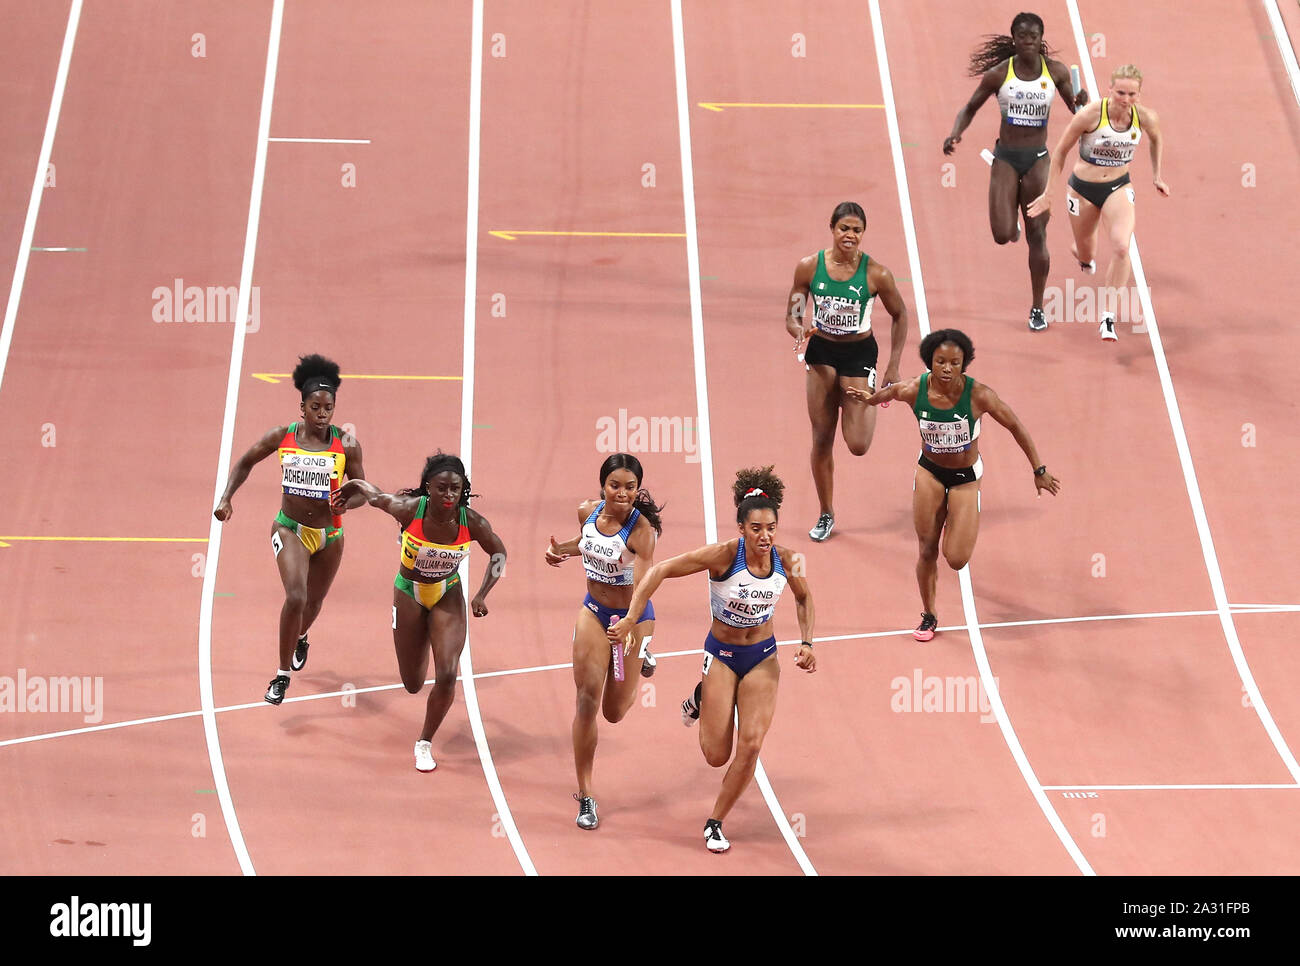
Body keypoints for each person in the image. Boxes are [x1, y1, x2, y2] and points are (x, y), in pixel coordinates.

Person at [608, 467, 816, 853]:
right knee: (716, 756)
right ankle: (702, 697)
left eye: (771, 528)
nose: (765, 536)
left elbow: (804, 598)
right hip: (721, 655)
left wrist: (807, 642)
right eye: (756, 528)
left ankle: (715, 822)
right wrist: (632, 619)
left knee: (751, 744)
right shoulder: (722, 556)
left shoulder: (791, 560)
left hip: (762, 657)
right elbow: (660, 571)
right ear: (741, 527)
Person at [846, 330, 1060, 641]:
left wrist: (1038, 469)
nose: (947, 368)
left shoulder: (979, 396)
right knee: (926, 549)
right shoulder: (913, 389)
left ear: (964, 365)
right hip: (930, 472)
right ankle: (929, 615)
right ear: (930, 362)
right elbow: (889, 394)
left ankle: (956, 519)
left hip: (965, 479)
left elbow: (1015, 425)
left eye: (954, 363)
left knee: (957, 559)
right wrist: (871, 398)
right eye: (940, 362)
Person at [331, 452, 506, 772]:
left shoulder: (473, 522)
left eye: (455, 488)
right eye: (442, 488)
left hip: (446, 593)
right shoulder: (408, 509)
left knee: (448, 673)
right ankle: (422, 634)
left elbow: (499, 552)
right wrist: (354, 482)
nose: (449, 495)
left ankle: (424, 742)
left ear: (463, 488)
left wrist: (482, 593)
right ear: (428, 488)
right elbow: (375, 496)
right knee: (412, 683)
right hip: (409, 593)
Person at [214, 354, 365, 705]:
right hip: (290, 529)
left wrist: (347, 503)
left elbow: (361, 491)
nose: (322, 414)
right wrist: (227, 498)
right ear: (302, 407)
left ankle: (301, 637)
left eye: (328, 408)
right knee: (295, 596)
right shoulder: (282, 436)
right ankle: (281, 676)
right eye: (315, 407)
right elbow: (245, 462)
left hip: (331, 536)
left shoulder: (348, 444)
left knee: (313, 602)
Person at [943, 12, 1087, 332]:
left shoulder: (1056, 72)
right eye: (1022, 36)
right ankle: (1012, 225)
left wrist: (1082, 102)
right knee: (1001, 234)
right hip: (1006, 158)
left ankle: (1037, 308)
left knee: (1038, 234)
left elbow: (1078, 114)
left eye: (1033, 36)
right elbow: (970, 107)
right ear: (1014, 39)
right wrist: (956, 133)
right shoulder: (999, 75)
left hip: (1038, 160)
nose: (1028, 41)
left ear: (1040, 39)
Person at [545, 454, 663, 830]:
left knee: (614, 712)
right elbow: (586, 541)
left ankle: (643, 654)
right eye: (615, 485)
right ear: (603, 486)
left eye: (630, 487)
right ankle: (587, 796)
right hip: (594, 612)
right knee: (586, 698)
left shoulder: (642, 531)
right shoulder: (587, 512)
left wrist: (629, 624)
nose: (623, 493)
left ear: (638, 489)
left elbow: (643, 587)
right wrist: (560, 550)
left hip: (632, 619)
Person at [786, 201, 909, 542]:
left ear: (863, 233)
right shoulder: (809, 268)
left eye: (856, 230)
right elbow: (793, 313)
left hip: (858, 354)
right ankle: (826, 513)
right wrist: (798, 330)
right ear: (832, 229)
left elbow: (901, 315)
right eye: (844, 228)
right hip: (822, 352)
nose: (850, 235)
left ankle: (855, 394)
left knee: (857, 444)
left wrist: (893, 364)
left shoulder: (877, 274)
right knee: (822, 437)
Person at [1026, 64, 1168, 342]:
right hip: (1082, 190)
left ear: (1139, 94)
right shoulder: (1091, 114)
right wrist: (1049, 194)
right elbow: (1060, 153)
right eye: (1120, 93)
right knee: (1086, 255)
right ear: (1110, 89)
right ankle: (1080, 252)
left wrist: (1157, 175)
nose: (1125, 99)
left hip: (1118, 186)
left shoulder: (1146, 117)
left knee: (1121, 246)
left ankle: (1107, 316)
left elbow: (1156, 140)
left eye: (1132, 94)